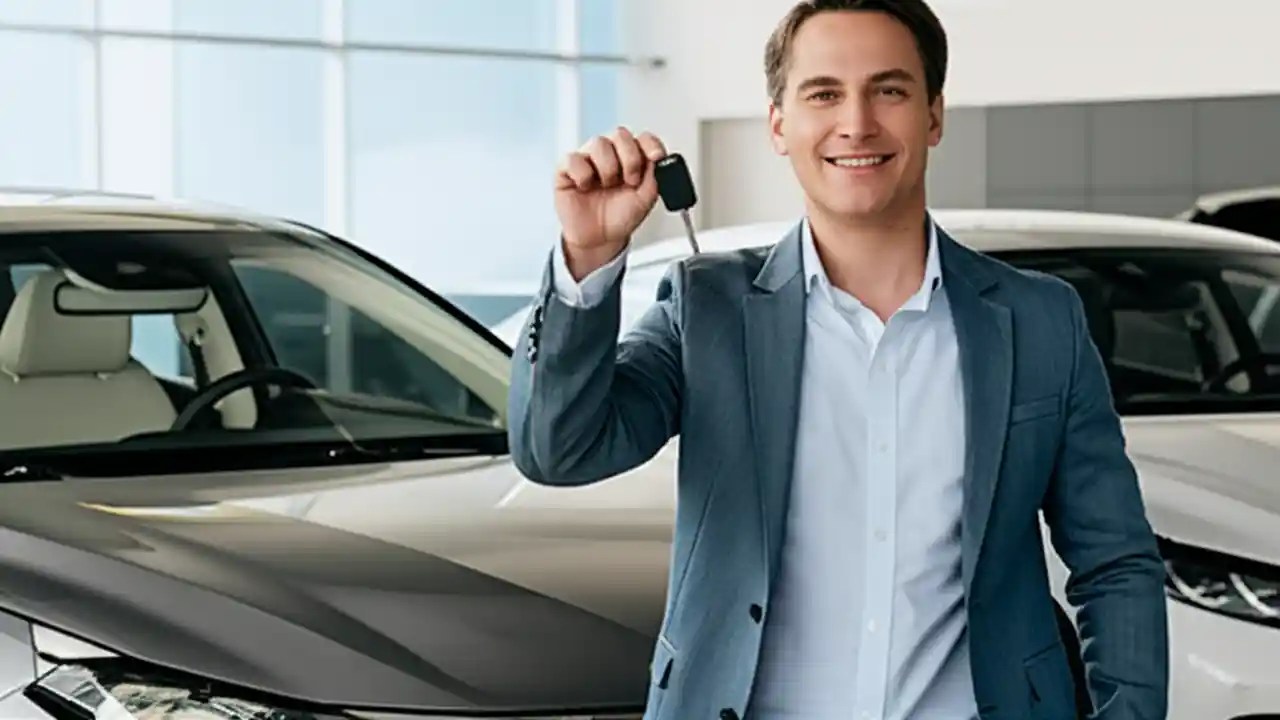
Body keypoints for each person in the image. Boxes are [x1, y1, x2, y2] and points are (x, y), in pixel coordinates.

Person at [507, 0, 1169, 718]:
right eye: (824, 94)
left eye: (890, 90)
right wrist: (589, 257)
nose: (857, 123)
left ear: (934, 115)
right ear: (779, 125)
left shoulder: (1041, 320)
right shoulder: (708, 308)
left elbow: (1115, 562)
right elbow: (559, 450)